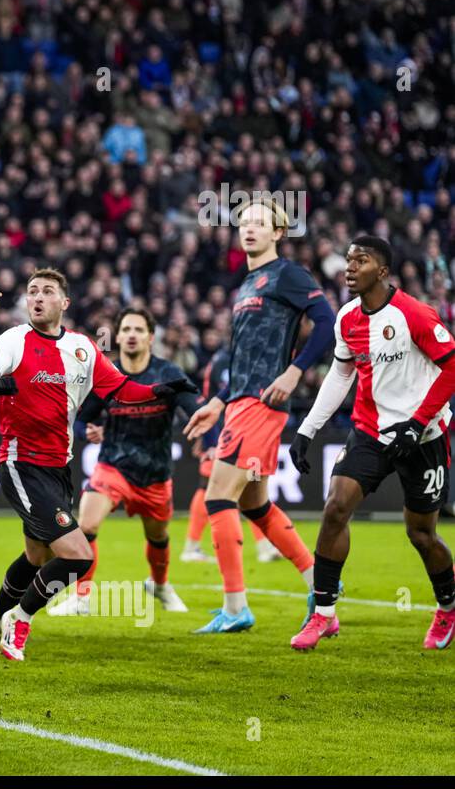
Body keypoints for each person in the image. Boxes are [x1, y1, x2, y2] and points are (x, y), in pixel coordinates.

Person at [0, 268, 195, 661]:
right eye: (32, 292)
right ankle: (20, 618)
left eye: (47, 291)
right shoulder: (14, 340)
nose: (38, 298)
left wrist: (158, 390)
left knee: (37, 558)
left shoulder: (82, 348)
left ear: (65, 303)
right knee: (79, 556)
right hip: (22, 464)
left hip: (59, 468)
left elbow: (119, 388)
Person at [288, 237, 455, 651]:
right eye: (347, 260)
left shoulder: (414, 314)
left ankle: (448, 607)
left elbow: (451, 368)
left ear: (382, 271)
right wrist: (308, 429)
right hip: (370, 431)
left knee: (421, 535)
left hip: (423, 435)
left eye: (360, 261)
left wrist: (417, 423)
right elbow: (341, 375)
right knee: (335, 508)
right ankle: (323, 614)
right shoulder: (347, 318)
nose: (349, 267)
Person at [184, 199, 337, 633]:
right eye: (243, 223)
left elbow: (326, 321)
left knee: (218, 496)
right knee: (255, 504)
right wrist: (218, 402)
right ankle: (319, 589)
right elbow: (243, 357)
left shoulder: (287, 274)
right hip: (240, 401)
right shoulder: (248, 283)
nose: (249, 229)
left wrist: (294, 371)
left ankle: (236, 608)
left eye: (259, 223)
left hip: (263, 403)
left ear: (277, 233)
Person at [47, 307, 196, 617]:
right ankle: (82, 597)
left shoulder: (169, 374)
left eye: (139, 330)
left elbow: (192, 408)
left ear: (151, 338)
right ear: (117, 335)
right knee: (86, 525)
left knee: (157, 536)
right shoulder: (106, 375)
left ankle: (159, 585)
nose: (131, 335)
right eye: (126, 329)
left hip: (155, 473)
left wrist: (205, 433)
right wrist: (87, 429)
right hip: (113, 465)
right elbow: (79, 420)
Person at [180, 345, 274, 564]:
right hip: (223, 433)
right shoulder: (223, 361)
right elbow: (208, 399)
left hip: (241, 431)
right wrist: (209, 439)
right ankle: (192, 547)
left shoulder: (242, 359)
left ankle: (263, 546)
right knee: (214, 487)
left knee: (247, 486)